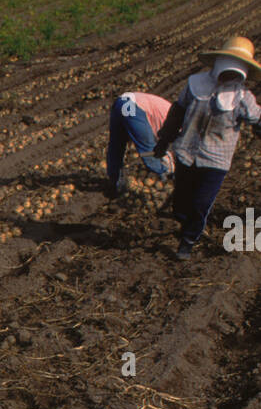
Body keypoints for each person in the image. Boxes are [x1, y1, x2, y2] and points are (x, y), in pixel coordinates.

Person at [152, 35, 261, 260]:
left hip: (216, 160)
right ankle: (185, 222)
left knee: (202, 203)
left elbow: (257, 120)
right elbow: (177, 113)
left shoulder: (243, 97)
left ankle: (188, 241)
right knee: (181, 202)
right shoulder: (195, 84)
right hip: (186, 153)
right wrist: (164, 140)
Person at [105, 91, 174, 198]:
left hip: (121, 101)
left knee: (117, 145)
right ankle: (163, 179)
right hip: (132, 106)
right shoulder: (180, 126)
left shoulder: (172, 114)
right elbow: (152, 147)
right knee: (148, 150)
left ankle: (113, 180)